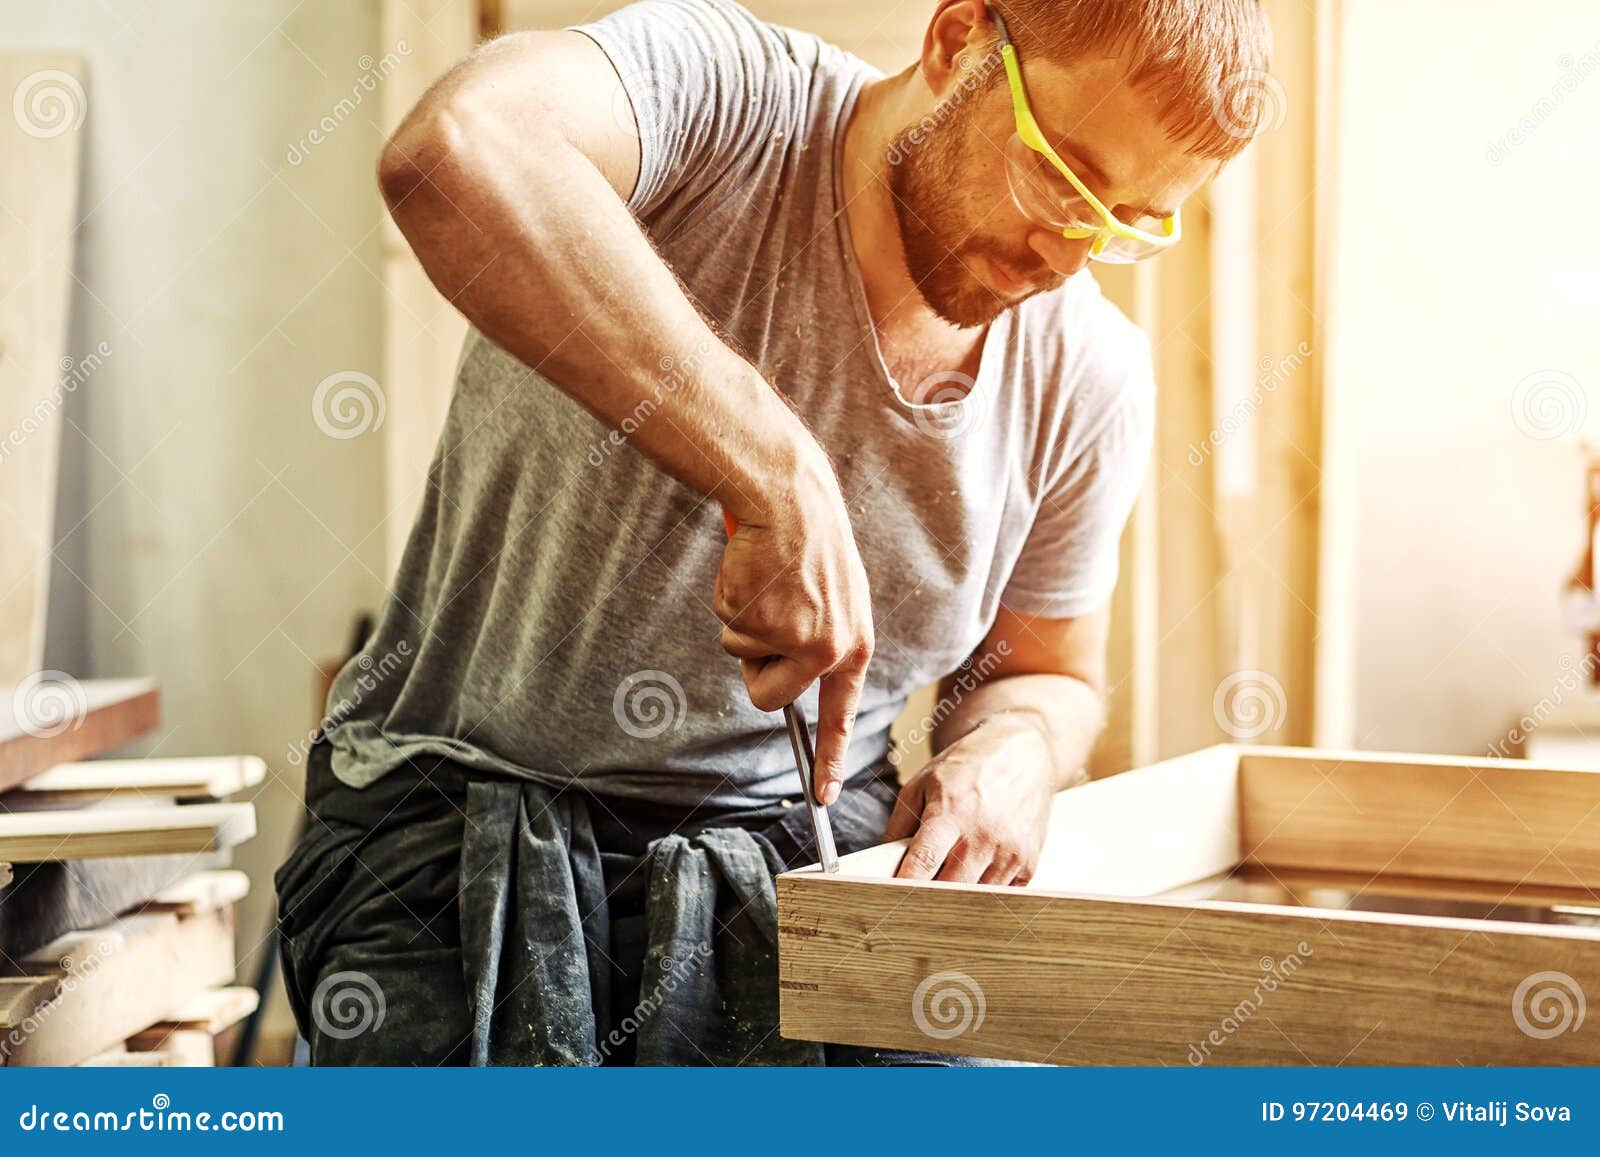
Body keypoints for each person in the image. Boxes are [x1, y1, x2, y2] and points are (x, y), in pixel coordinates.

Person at [275, 0, 1273, 1065]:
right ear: (959, 42)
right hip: (465, 815)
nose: (1067, 256)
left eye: (1124, 221)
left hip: (806, 848)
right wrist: (775, 472)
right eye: (1061, 177)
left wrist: (1015, 748)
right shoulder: (727, 99)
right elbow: (454, 148)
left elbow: (1047, 673)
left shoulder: (1088, 374)